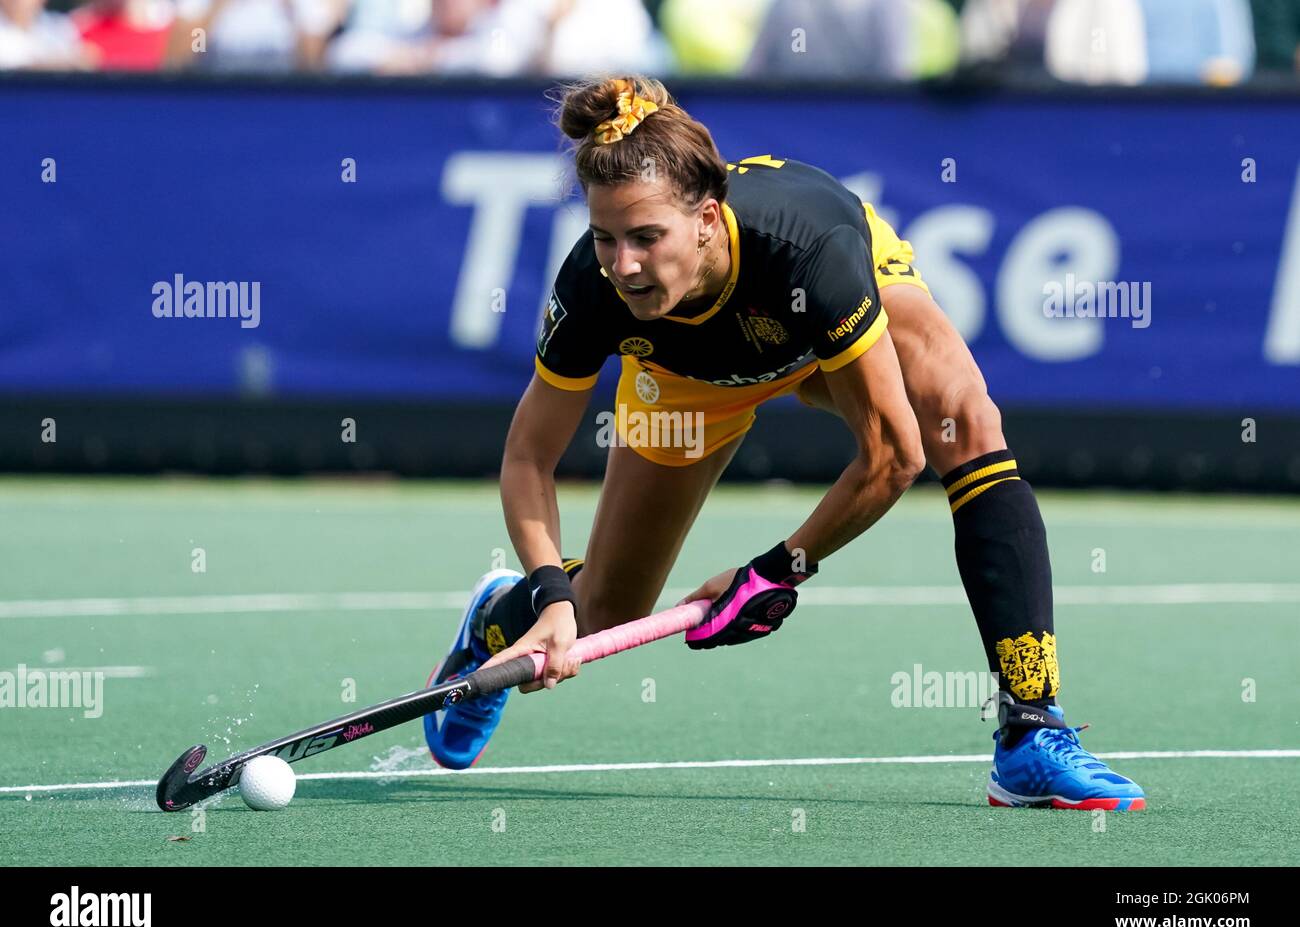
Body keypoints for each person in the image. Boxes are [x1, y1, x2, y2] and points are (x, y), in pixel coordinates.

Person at [425, 76, 1147, 812]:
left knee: (964, 421)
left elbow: (894, 456)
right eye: (607, 237)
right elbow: (528, 458)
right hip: (687, 378)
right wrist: (549, 593)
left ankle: (1031, 731)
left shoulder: (809, 247)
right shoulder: (593, 287)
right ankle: (494, 620)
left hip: (819, 333)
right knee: (604, 609)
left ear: (707, 218)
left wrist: (775, 571)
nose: (625, 264)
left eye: (647, 238)